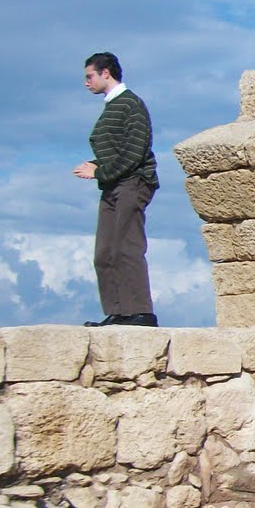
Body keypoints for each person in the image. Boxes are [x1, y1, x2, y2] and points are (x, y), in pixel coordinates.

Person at [73, 52, 158, 326]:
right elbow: (118, 151)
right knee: (104, 252)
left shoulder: (130, 104)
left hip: (132, 183)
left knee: (127, 246)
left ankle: (141, 313)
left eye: (90, 76)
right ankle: (119, 312)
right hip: (112, 185)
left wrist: (100, 171)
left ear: (105, 73)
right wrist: (98, 166)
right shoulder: (112, 106)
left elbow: (135, 151)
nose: (86, 82)